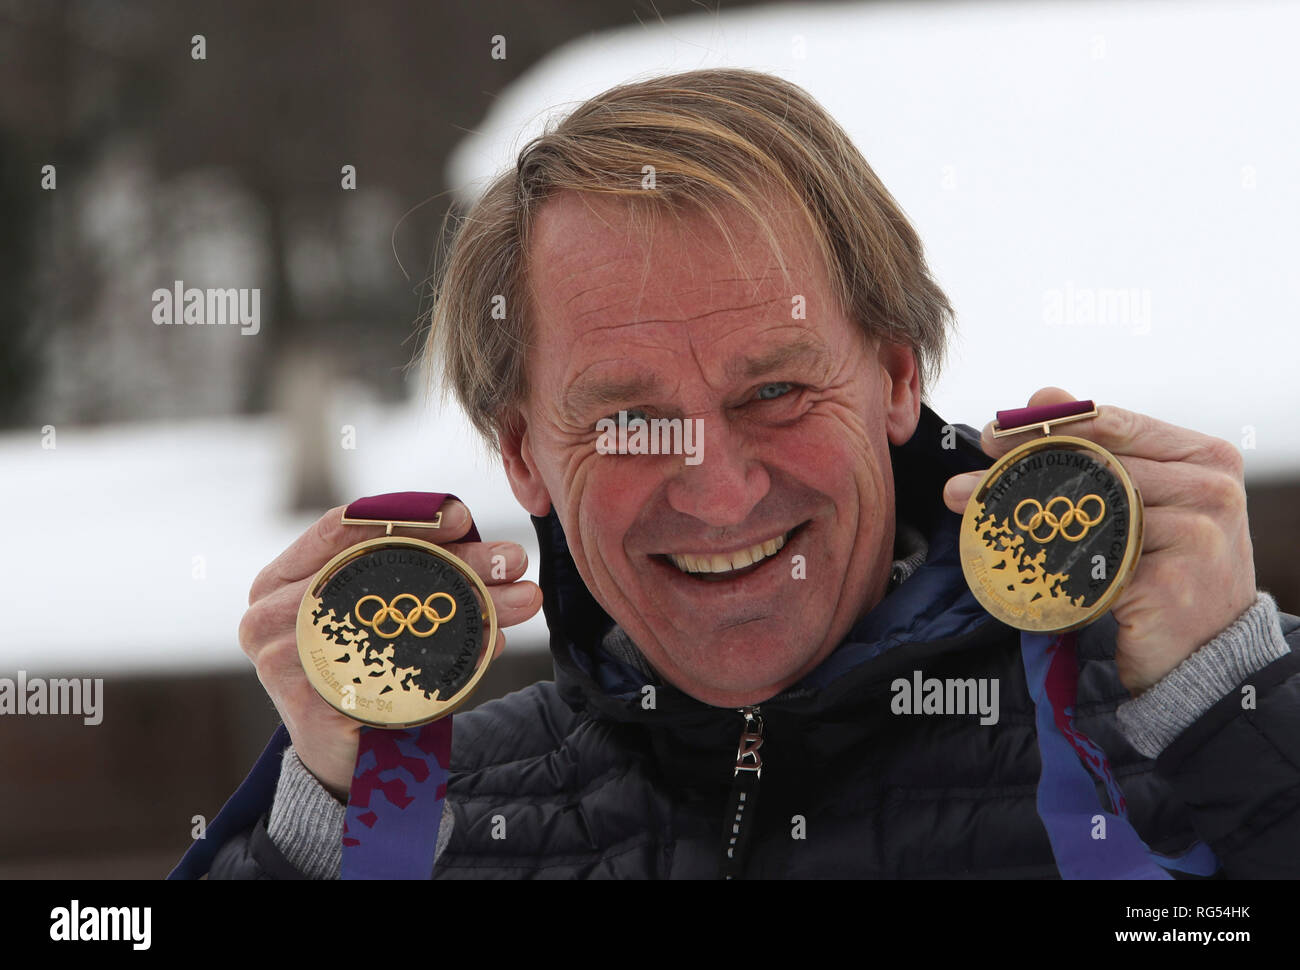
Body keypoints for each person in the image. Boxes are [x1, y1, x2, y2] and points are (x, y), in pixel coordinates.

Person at [182, 68, 1299, 879]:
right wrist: (325, 834)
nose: (718, 492)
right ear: (520, 451)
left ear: (898, 377)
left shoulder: (1168, 734)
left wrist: (1233, 714)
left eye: (774, 393)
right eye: (627, 419)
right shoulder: (423, 826)